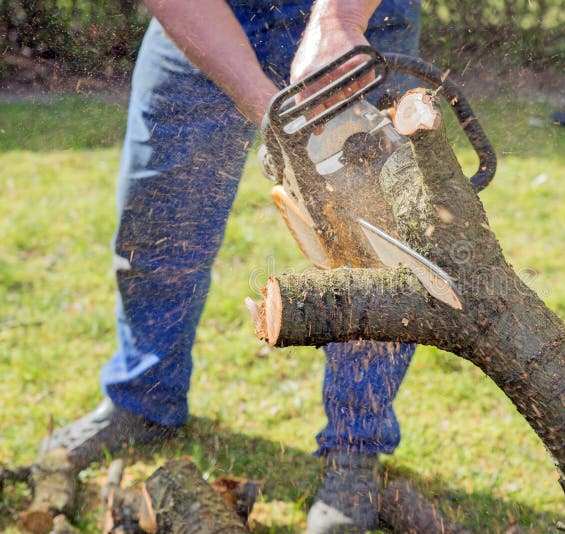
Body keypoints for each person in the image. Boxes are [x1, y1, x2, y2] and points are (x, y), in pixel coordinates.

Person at [38, 0, 421, 531]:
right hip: (207, 17)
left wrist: (339, 22)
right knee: (157, 225)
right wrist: (265, 106)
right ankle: (145, 397)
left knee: (372, 241)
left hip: (356, 13)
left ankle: (355, 448)